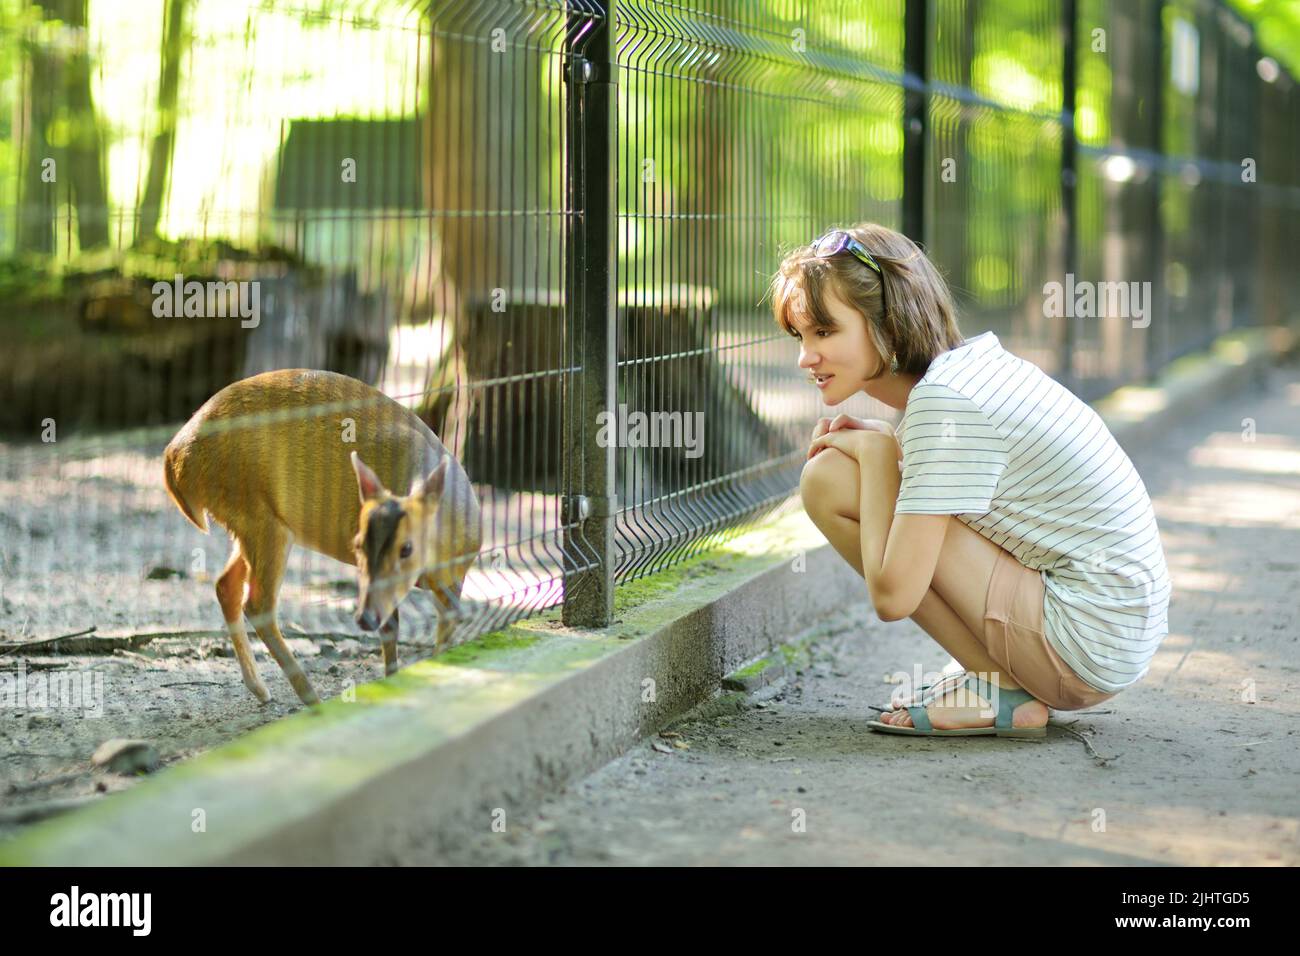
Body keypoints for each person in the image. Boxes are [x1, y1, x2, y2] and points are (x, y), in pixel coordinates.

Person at [769, 222, 1171, 738]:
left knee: (827, 480)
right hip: (1111, 629)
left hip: (1087, 641)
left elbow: (893, 596)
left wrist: (875, 454)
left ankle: (1002, 690)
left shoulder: (945, 403)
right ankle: (995, 677)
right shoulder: (972, 369)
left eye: (824, 332)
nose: (806, 356)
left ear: (888, 324)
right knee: (842, 475)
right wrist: (886, 450)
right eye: (800, 336)